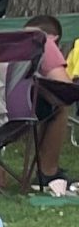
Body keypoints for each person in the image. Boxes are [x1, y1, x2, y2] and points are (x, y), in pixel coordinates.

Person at [29, 14, 74, 193]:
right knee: (59, 105)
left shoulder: (0, 44)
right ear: (54, 38)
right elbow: (64, 87)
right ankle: (48, 172)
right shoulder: (43, 42)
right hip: (19, 112)